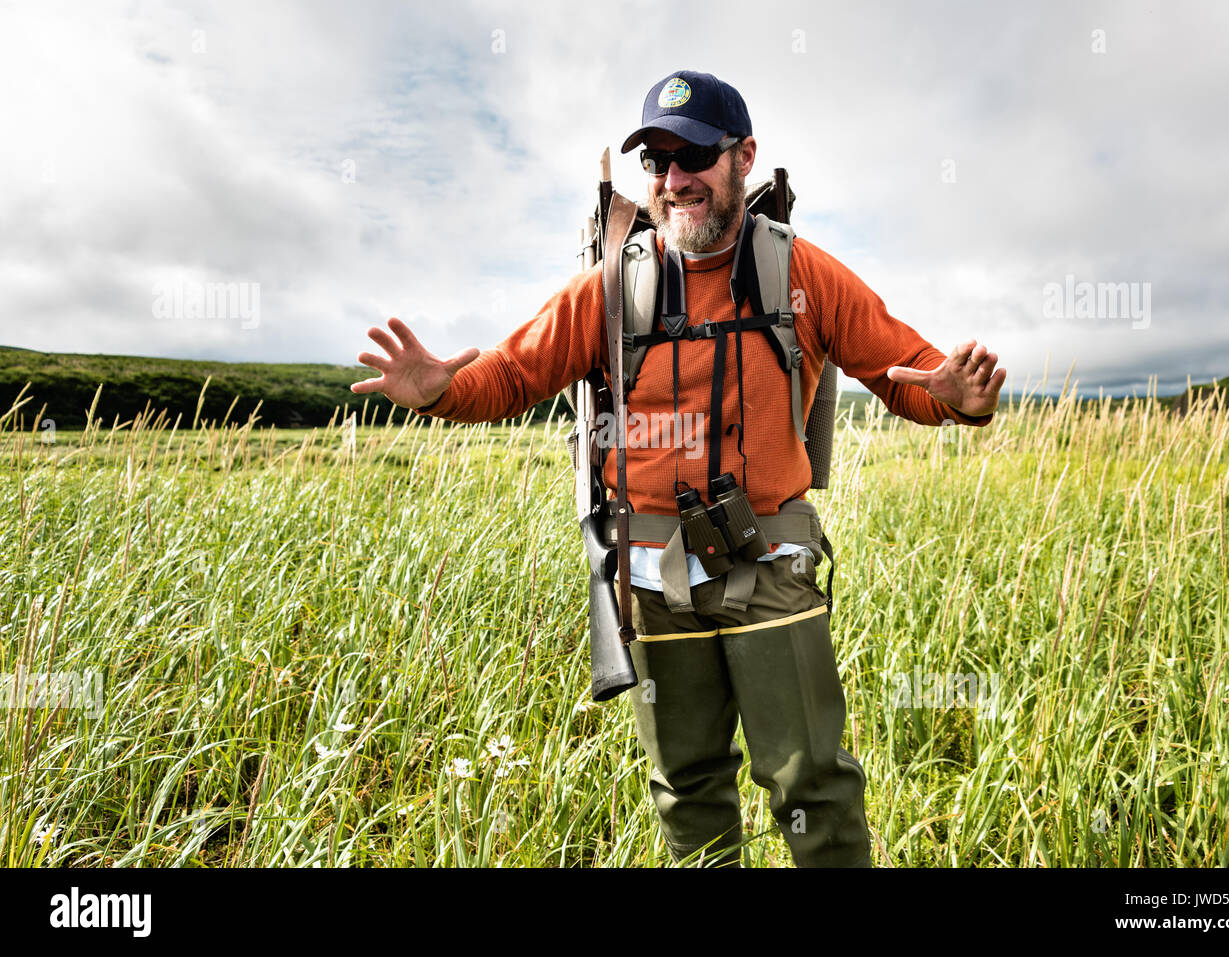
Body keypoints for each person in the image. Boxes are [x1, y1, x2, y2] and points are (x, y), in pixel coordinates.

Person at [351, 70, 1007, 868]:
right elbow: (514, 374)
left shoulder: (803, 274)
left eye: (693, 155)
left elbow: (911, 372)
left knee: (813, 784)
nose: (673, 179)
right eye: (657, 160)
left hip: (770, 561)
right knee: (686, 786)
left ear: (743, 157)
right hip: (654, 574)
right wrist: (439, 392)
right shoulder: (610, 287)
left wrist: (960, 398)